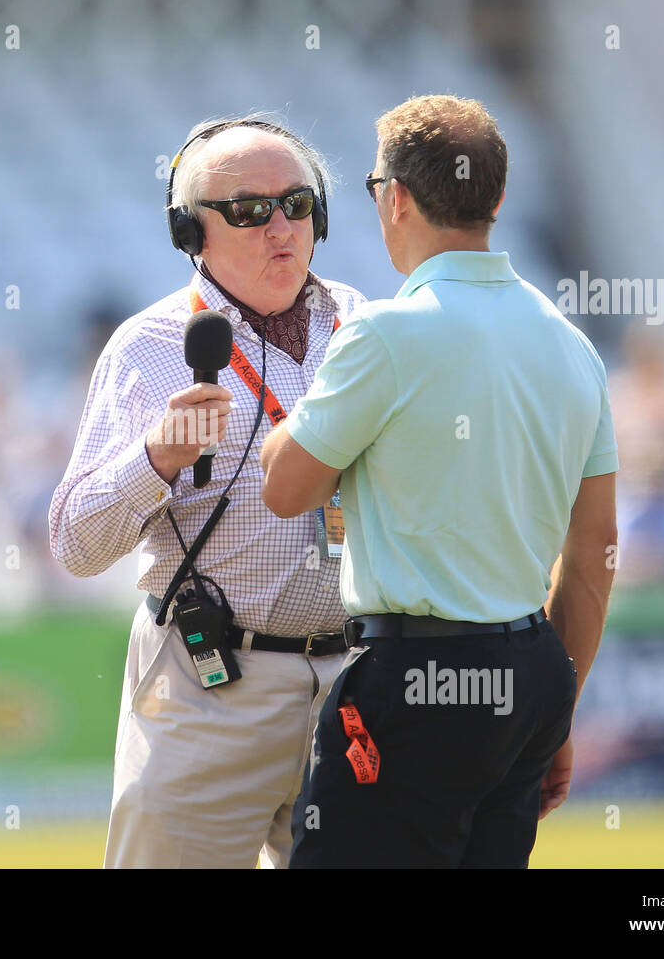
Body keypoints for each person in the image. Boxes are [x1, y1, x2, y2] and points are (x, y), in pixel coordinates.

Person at [261, 95, 619, 867]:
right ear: (494, 199)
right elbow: (595, 556)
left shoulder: (385, 332)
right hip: (528, 674)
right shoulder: (571, 346)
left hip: (414, 679)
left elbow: (285, 489)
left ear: (395, 196)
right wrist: (554, 711)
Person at [49, 116, 366, 868]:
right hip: (208, 686)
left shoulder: (364, 327)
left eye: (297, 203)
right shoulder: (148, 346)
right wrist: (154, 458)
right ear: (191, 233)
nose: (281, 226)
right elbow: (73, 544)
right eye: (251, 211)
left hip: (353, 684)